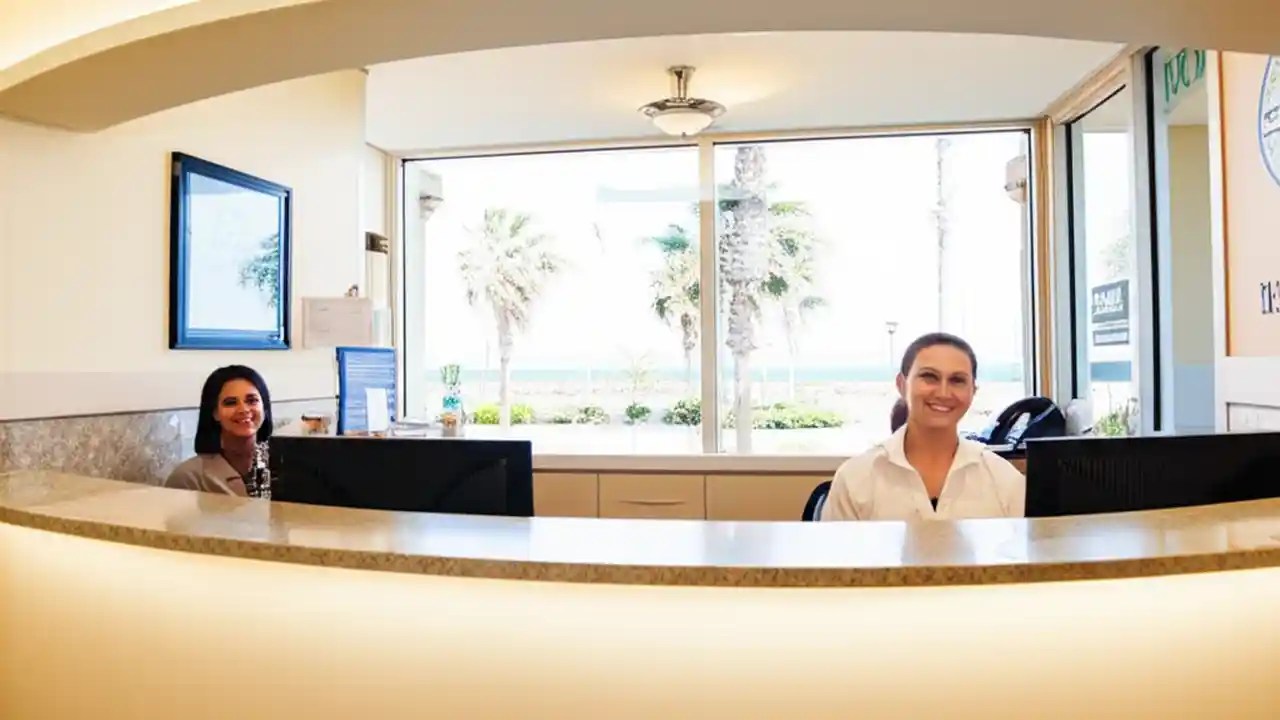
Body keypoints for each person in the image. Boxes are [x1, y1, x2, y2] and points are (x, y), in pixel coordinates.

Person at [822, 332, 1024, 521]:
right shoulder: (855, 478)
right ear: (901, 384)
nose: (943, 393)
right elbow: (836, 557)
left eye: (957, 380)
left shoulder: (1004, 480)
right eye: (929, 377)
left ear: (973, 391)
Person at [166, 365, 274, 497]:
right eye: (230, 403)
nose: (243, 409)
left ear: (264, 408)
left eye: (252, 400)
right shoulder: (189, 478)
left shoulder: (285, 467)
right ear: (214, 413)